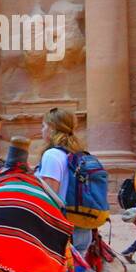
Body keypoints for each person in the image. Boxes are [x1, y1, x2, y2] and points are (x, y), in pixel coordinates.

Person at [36, 107, 93, 254]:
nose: (41, 130)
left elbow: (48, 199)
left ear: (52, 128)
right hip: (83, 227)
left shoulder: (52, 155)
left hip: (63, 230)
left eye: (43, 126)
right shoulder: (78, 154)